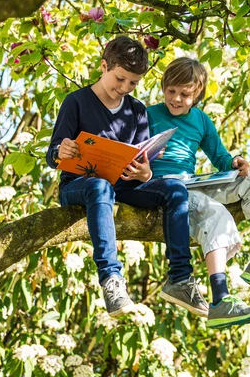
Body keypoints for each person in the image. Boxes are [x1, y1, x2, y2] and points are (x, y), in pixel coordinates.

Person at [46, 37, 208, 318]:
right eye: (120, 79)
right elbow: (53, 155)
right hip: (79, 185)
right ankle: (111, 280)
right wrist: (62, 150)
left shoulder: (136, 110)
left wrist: (145, 172)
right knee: (99, 186)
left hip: (121, 185)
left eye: (132, 83)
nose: (124, 88)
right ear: (104, 66)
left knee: (175, 190)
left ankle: (180, 279)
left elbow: (143, 161)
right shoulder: (76, 102)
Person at [147, 57, 250, 329]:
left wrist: (235, 162)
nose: (177, 99)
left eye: (185, 94)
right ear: (163, 86)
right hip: (166, 188)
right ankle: (220, 299)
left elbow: (219, 156)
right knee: (217, 214)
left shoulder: (201, 120)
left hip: (192, 181)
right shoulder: (148, 114)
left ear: (197, 95)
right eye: (171, 91)